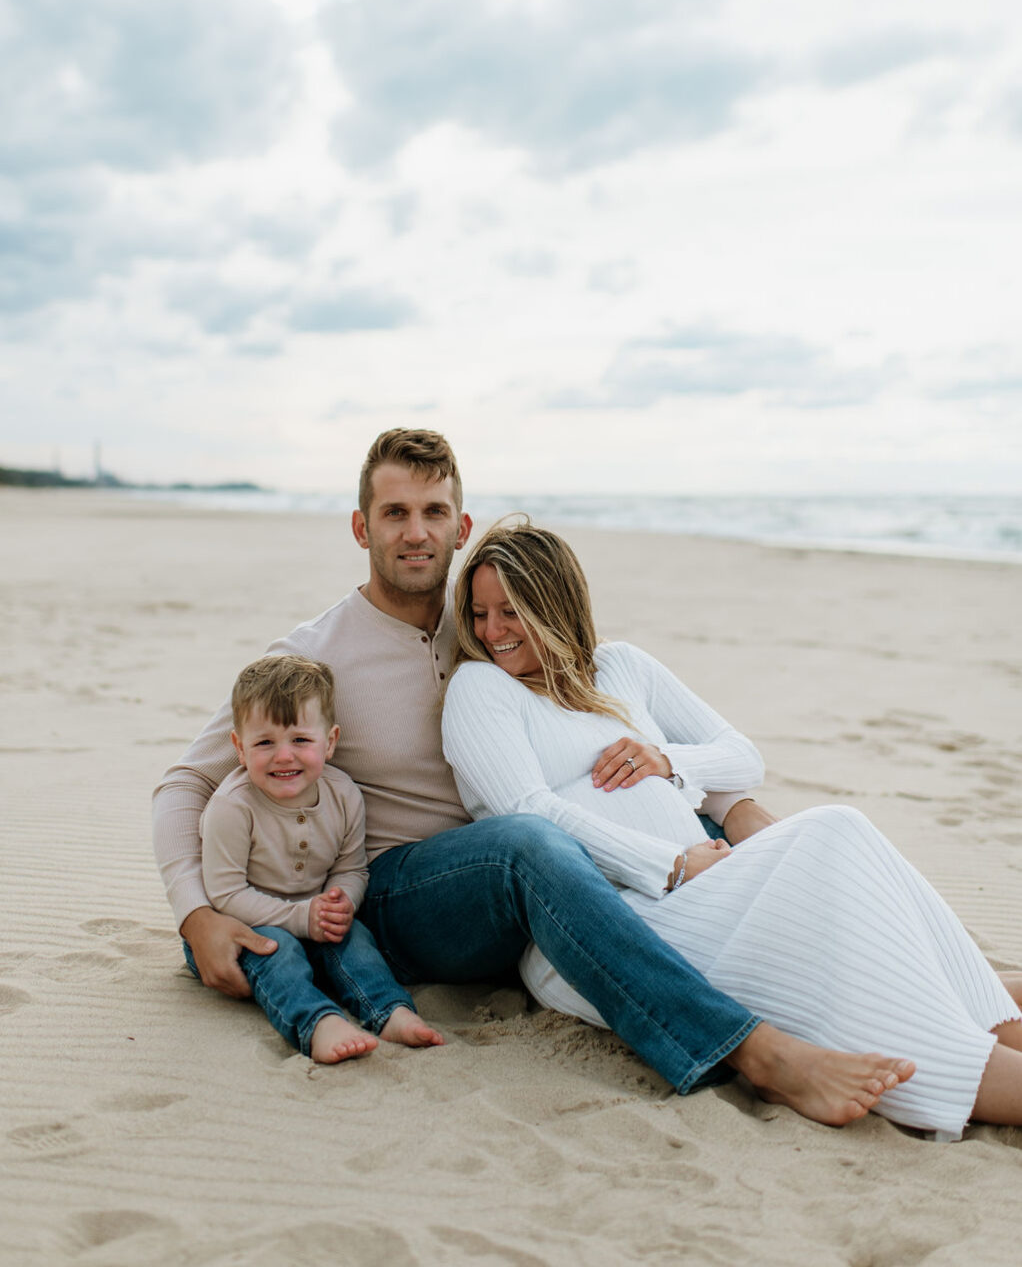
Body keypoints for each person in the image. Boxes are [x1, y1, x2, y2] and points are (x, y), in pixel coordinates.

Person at [154, 427, 915, 1127]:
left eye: (433, 511)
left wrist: (733, 805)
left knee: (691, 830)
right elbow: (185, 785)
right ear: (362, 528)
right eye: (393, 513)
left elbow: (609, 718)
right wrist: (197, 914)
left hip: (551, 876)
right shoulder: (318, 651)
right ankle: (756, 1054)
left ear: (461, 526)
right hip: (406, 895)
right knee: (527, 839)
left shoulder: (497, 618)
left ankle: (928, 984)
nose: (414, 532)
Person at [441, 517, 1022, 1139]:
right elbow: (531, 815)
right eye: (479, 614)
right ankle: (971, 1061)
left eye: (510, 611)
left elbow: (743, 755)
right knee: (830, 836)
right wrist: (673, 865)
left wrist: (671, 762)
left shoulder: (621, 668)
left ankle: (988, 1021)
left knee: (843, 835)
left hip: (705, 886)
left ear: (556, 604)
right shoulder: (482, 690)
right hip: (611, 923)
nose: (491, 633)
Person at [194, 653, 443, 1062]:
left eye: (301, 740)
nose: (284, 756)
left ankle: (390, 1011)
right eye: (264, 743)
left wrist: (340, 901)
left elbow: (350, 866)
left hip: (313, 916)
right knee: (277, 952)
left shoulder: (343, 795)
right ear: (239, 747)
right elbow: (224, 893)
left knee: (354, 939)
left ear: (330, 742)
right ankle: (317, 1022)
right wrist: (300, 919)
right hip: (243, 927)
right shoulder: (232, 808)